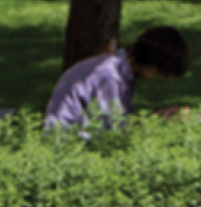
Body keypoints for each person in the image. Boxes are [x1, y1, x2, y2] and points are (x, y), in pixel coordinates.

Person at [47, 27, 188, 133]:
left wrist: (156, 117)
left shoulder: (119, 71)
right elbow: (113, 130)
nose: (156, 77)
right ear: (152, 62)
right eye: (159, 72)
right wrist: (157, 121)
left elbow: (119, 120)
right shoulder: (109, 76)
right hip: (70, 138)